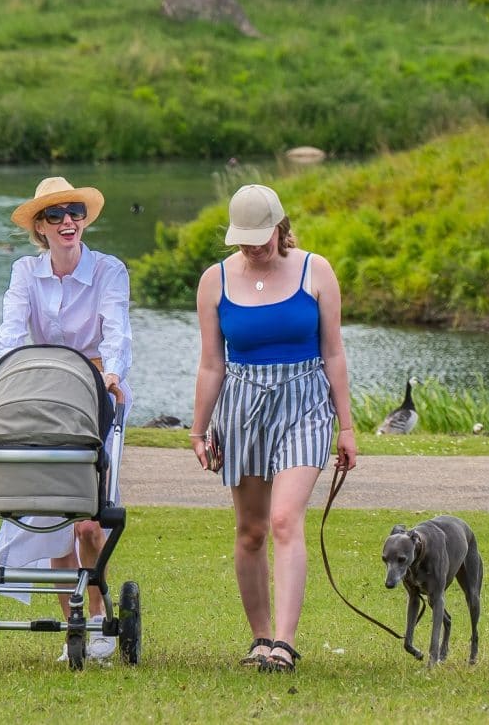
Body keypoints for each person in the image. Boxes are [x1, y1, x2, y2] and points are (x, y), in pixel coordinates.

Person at [189, 184, 356, 673]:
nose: (253, 248)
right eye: (243, 240)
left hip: (305, 402)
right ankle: (260, 639)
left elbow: (334, 352)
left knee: (285, 519)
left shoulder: (315, 269)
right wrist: (198, 431)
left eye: (261, 237)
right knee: (251, 531)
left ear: (281, 227)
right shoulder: (214, 281)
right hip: (241, 405)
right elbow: (211, 365)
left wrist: (346, 427)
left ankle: (284, 644)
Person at [0, 175, 131, 662]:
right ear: (41, 227)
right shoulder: (25, 274)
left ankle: (97, 619)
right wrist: (9, 374)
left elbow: (117, 332)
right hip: (43, 391)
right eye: (56, 215)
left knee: (88, 524)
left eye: (74, 212)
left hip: (95, 392)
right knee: (54, 515)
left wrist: (112, 374)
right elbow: (10, 332)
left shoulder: (110, 271)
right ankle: (76, 621)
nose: (68, 221)